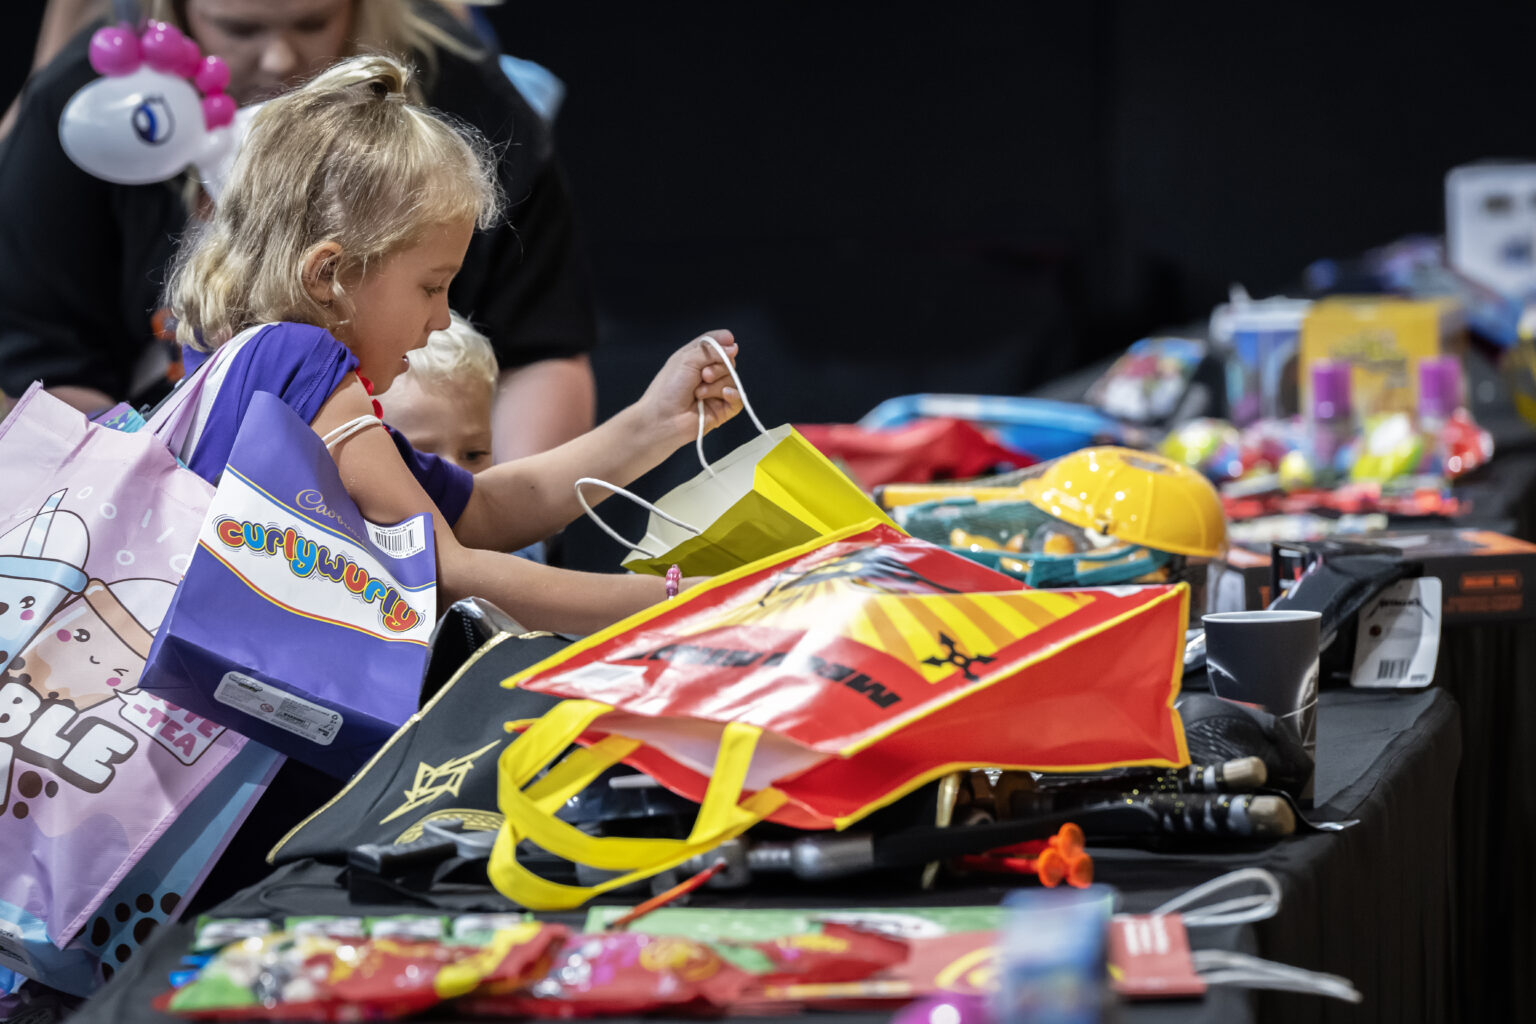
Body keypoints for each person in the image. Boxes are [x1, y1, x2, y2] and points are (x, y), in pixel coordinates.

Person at [165, 53, 739, 637]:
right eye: (432, 286)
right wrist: (702, 600)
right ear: (327, 277)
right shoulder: (296, 363)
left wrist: (654, 422)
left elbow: (480, 511)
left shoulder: (242, 365)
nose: (442, 319)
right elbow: (447, 571)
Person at [0, 0, 597, 461]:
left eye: (312, 23)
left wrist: (509, 526)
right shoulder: (83, 110)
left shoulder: (470, 96)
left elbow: (543, 349)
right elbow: (37, 376)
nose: (280, 58)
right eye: (238, 30)